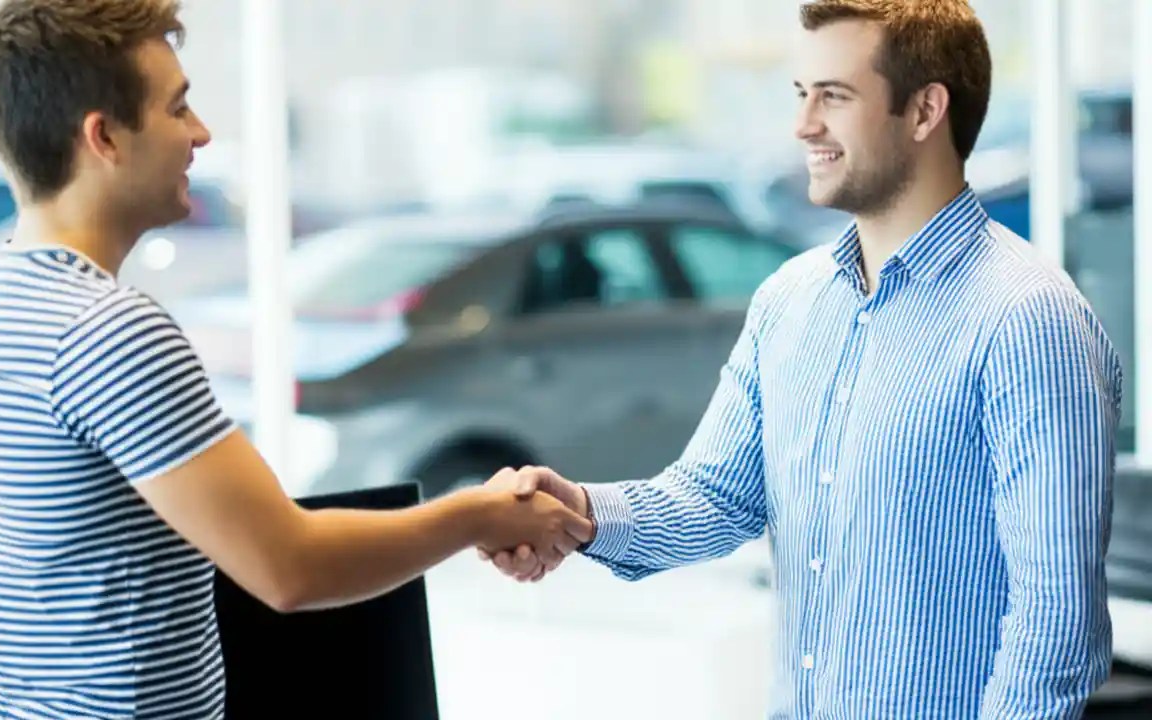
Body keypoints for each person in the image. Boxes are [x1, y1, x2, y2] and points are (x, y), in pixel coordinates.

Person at [0, 1, 592, 718]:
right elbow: (288, 565)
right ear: (105, 137)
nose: (201, 133)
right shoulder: (107, 333)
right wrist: (477, 517)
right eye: (178, 108)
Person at [480, 1, 1123, 717]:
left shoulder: (1028, 321)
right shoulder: (790, 301)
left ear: (925, 110)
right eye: (800, 94)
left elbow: (1057, 624)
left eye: (834, 96)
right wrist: (584, 514)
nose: (803, 125)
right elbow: (715, 495)